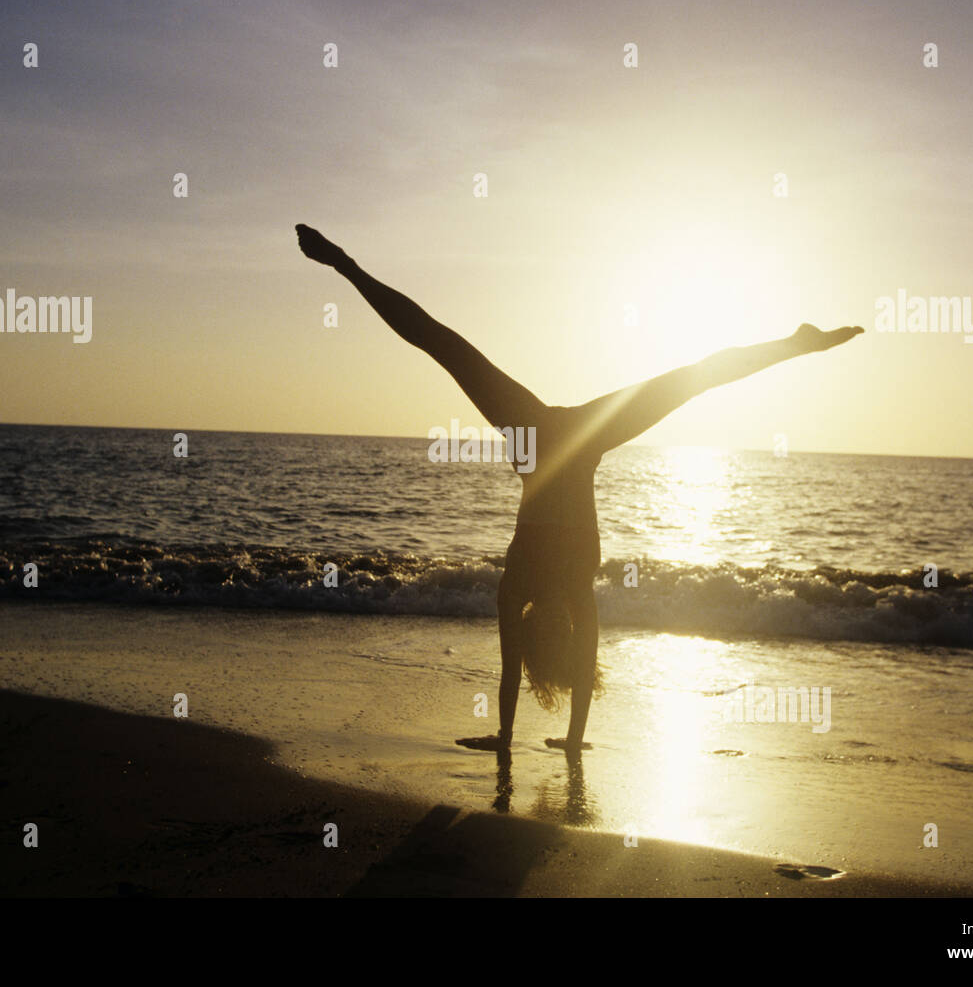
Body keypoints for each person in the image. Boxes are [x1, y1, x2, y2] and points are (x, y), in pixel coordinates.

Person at [295, 223, 862, 755]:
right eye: (557, 632)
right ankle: (797, 343)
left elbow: (510, 664)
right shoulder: (572, 594)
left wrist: (507, 735)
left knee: (446, 347)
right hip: (578, 439)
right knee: (687, 381)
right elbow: (577, 666)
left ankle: (344, 264)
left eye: (544, 633)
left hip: (535, 438)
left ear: (537, 634)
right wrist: (568, 740)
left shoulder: (517, 590)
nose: (553, 626)